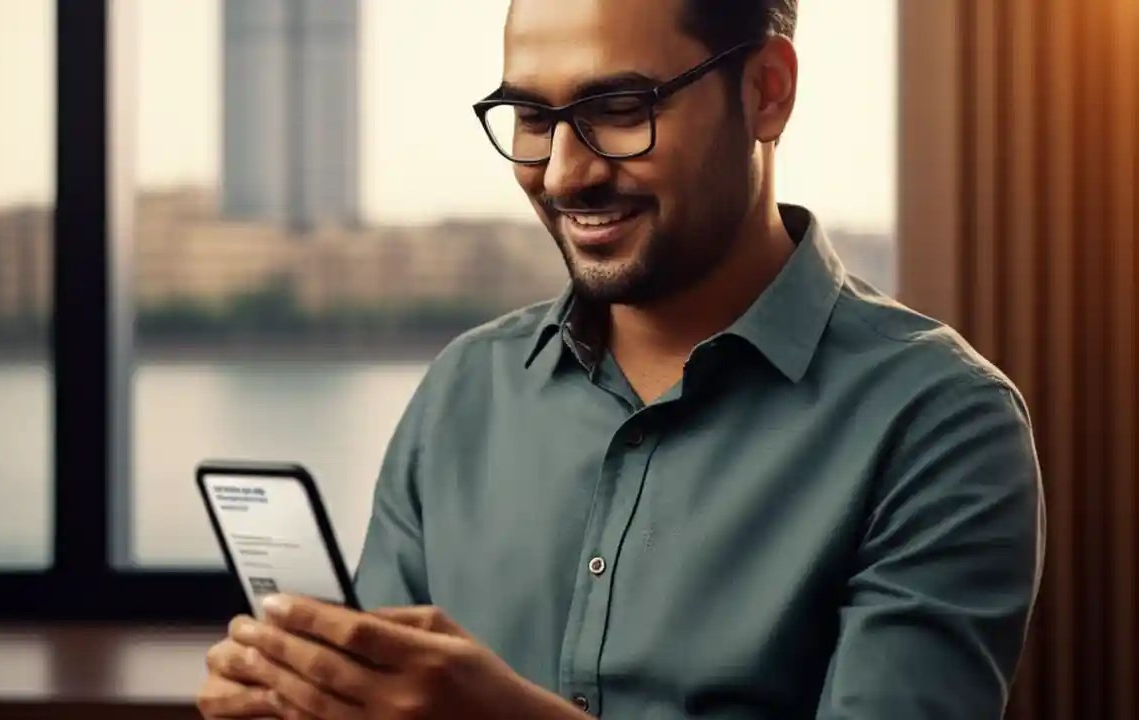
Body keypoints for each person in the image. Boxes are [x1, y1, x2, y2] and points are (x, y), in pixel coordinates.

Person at [198, 0, 1045, 717]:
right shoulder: (463, 391)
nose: (565, 174)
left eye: (619, 107)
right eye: (533, 118)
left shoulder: (940, 421)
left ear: (766, 93)